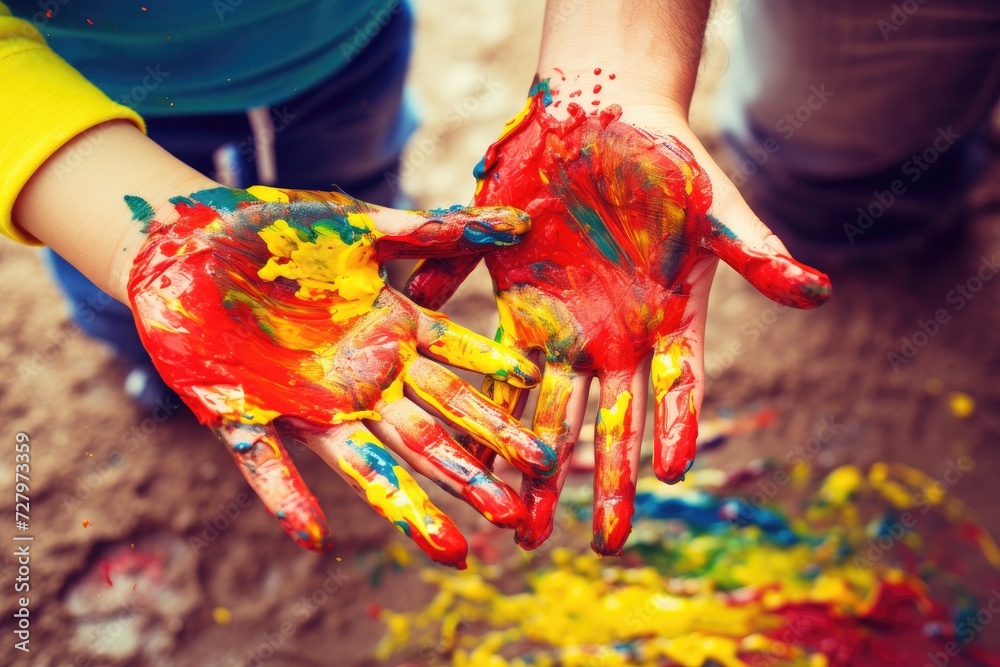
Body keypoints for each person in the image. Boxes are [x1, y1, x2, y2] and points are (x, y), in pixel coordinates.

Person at [0, 0, 852, 564]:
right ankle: (153, 366)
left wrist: (613, 73)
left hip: (347, 43)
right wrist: (131, 237)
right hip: (82, 92)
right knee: (152, 312)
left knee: (354, 200)